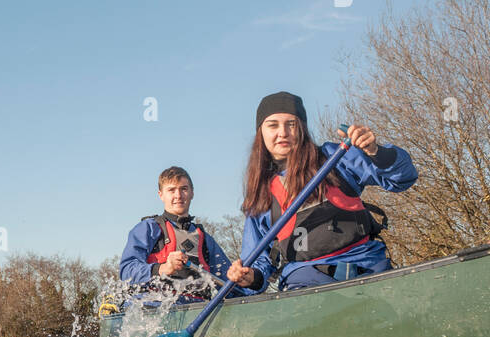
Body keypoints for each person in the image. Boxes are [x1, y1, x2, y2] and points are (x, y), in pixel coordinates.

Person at [224, 92, 417, 292]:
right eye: (273, 125)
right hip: (306, 282)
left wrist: (376, 152)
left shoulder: (334, 157)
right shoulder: (260, 195)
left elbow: (403, 178)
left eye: (291, 124)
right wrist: (250, 277)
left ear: (302, 129)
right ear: (261, 133)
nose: (283, 133)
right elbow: (258, 265)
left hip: (368, 267)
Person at [119, 166, 238, 302]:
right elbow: (126, 272)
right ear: (161, 195)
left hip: (198, 313)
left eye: (184, 189)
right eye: (171, 190)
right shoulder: (148, 229)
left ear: (192, 193)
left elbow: (231, 284)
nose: (178, 195)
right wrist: (163, 268)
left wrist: (246, 278)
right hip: (156, 311)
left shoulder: (204, 239)